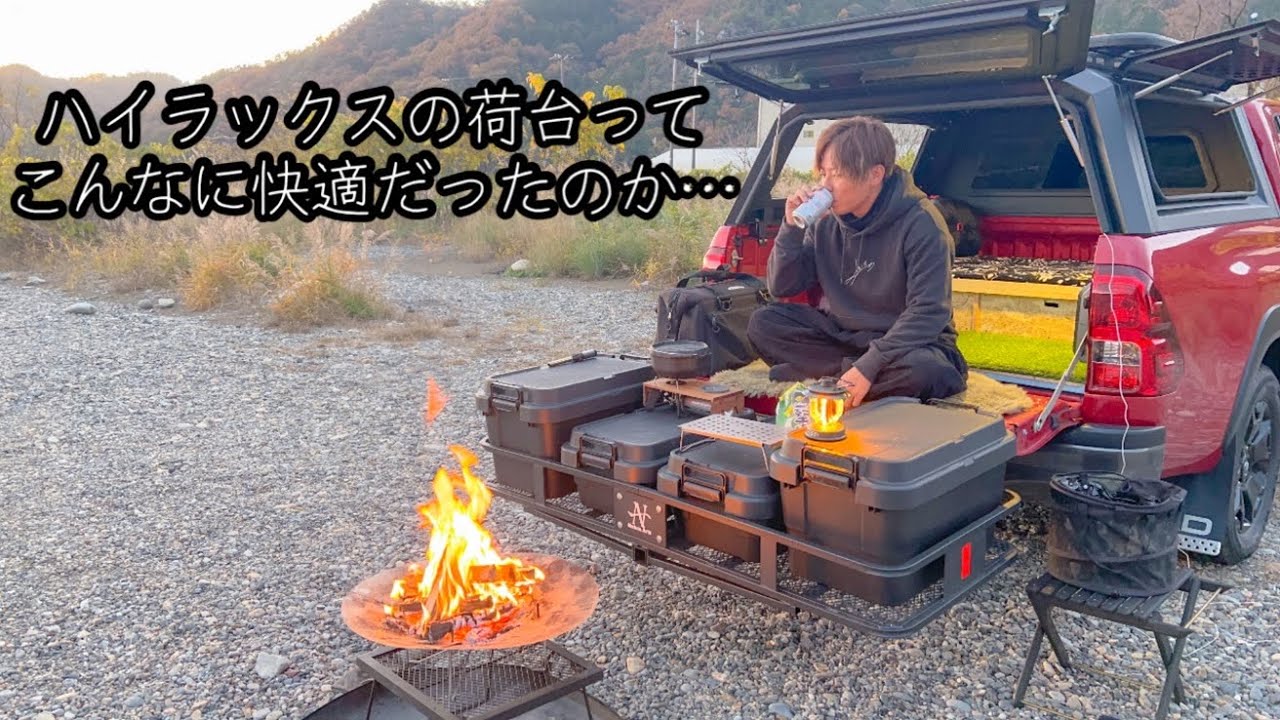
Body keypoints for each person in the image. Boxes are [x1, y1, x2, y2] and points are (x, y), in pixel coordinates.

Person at [746, 116, 967, 408]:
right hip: (845, 336)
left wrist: (870, 364)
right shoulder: (824, 222)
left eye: (836, 175)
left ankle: (826, 375)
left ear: (875, 174)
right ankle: (848, 376)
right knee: (763, 323)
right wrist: (791, 228)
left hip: (907, 344)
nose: (825, 186)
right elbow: (781, 287)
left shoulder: (922, 223)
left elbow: (928, 313)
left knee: (928, 371)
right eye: (823, 174)